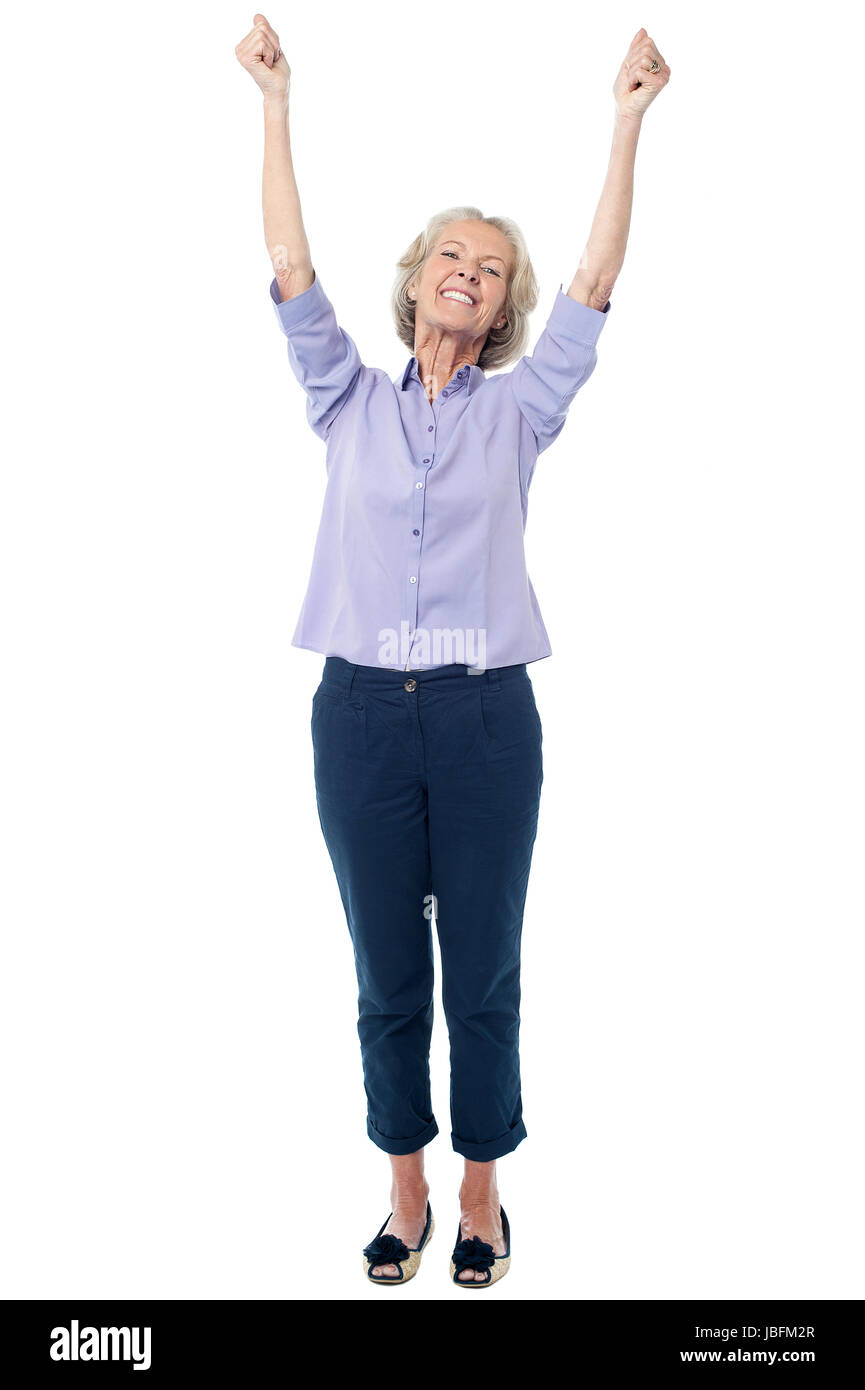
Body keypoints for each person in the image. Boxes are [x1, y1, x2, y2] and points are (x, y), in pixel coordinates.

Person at [235, 13, 670, 1287]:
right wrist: (275, 101)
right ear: (418, 278)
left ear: (500, 307)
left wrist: (626, 121)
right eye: (450, 256)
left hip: (485, 723)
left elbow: (594, 284)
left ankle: (484, 1195)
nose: (469, 271)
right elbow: (286, 259)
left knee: (480, 966)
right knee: (386, 972)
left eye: (491, 266)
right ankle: (404, 1192)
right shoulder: (345, 396)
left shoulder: (522, 415)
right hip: (360, 716)